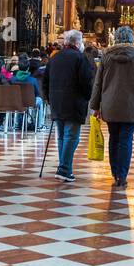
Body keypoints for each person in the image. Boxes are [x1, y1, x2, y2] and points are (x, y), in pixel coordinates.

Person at [88, 25, 134, 188]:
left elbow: (98, 83)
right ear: (131, 39)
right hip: (131, 104)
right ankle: (122, 175)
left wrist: (95, 106)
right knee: (126, 139)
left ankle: (114, 172)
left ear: (116, 38)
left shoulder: (106, 56)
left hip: (110, 104)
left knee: (114, 138)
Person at [43, 30, 96, 182]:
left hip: (56, 103)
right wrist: (87, 97)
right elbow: (86, 81)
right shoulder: (81, 58)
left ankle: (64, 168)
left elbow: (45, 81)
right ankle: (64, 169)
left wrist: (48, 98)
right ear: (78, 43)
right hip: (74, 103)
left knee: (61, 137)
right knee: (72, 136)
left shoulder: (55, 58)